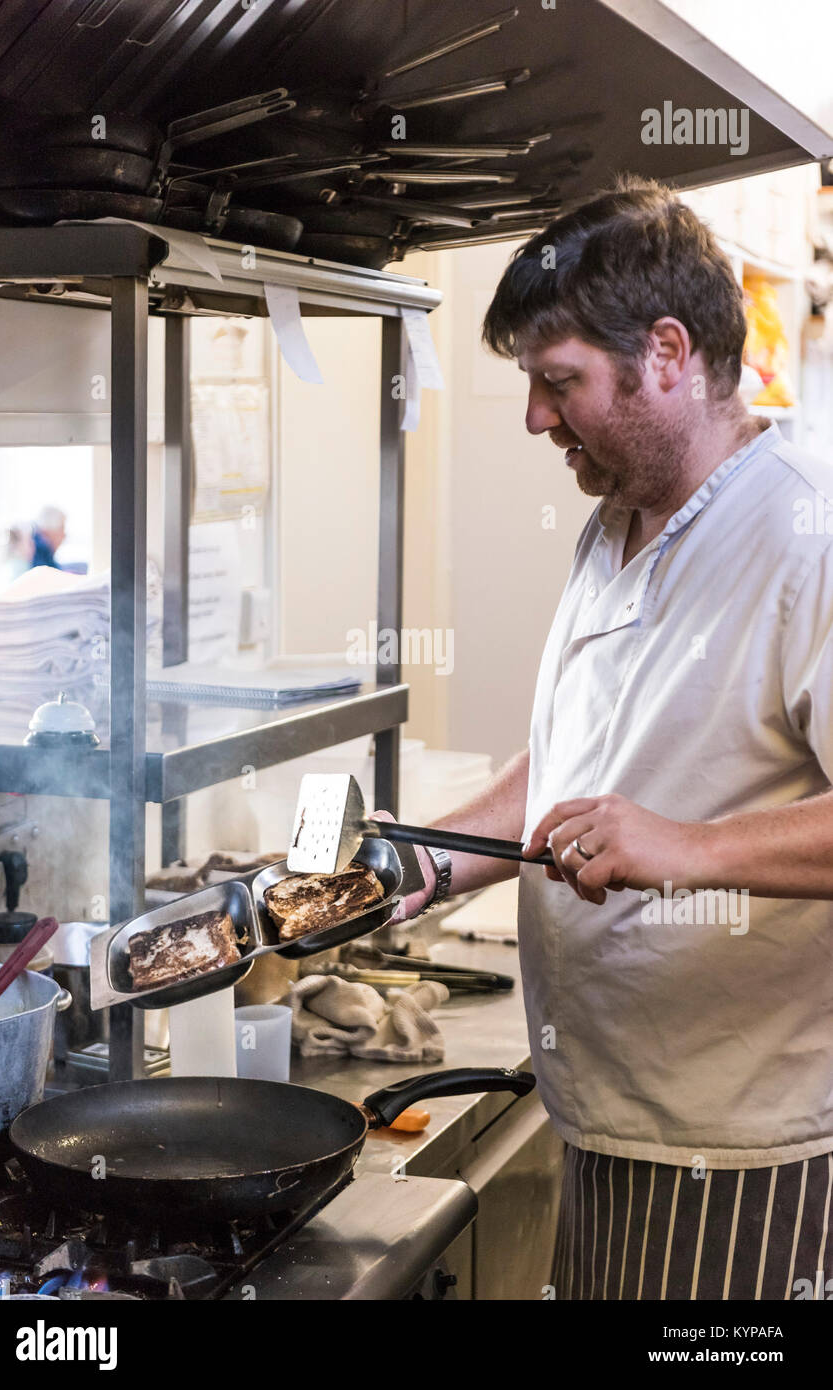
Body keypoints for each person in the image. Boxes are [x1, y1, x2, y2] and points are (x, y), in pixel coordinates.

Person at [383, 177, 833, 1301]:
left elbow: (651, 826)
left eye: (558, 381)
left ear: (669, 352)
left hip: (742, 1146)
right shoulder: (617, 524)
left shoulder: (803, 536)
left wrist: (685, 847)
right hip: (610, 1115)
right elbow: (579, 770)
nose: (537, 418)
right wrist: (421, 860)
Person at [30, 504, 66, 569]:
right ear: (48, 531)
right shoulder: (35, 551)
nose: (64, 535)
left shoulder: (45, 552)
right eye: (62, 528)